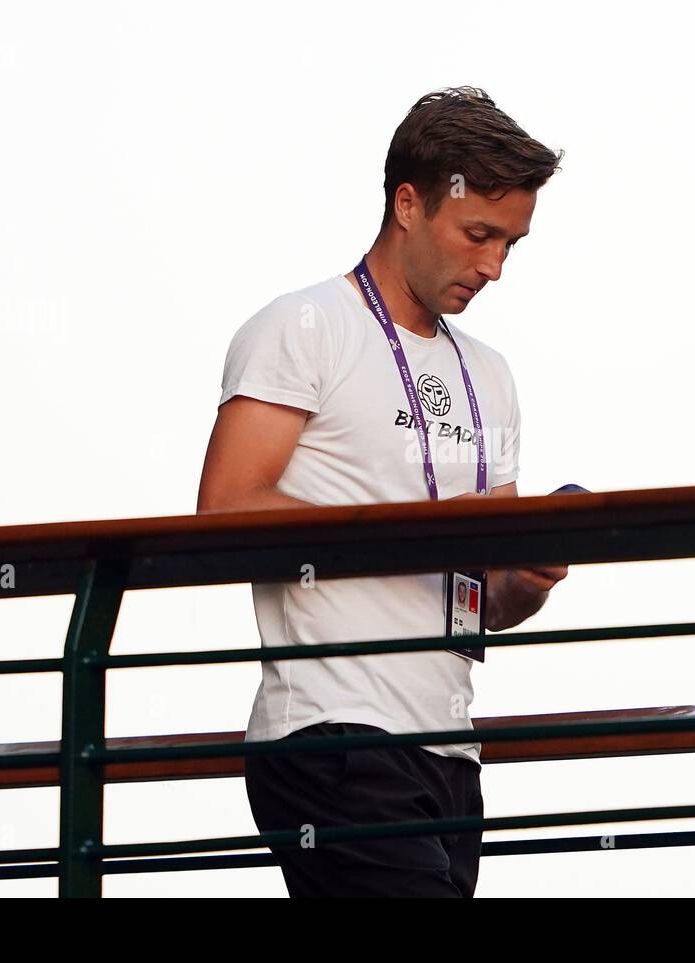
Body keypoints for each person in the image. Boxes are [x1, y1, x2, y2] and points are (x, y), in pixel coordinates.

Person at [196, 86, 568, 897]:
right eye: (479, 235)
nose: (494, 268)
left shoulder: (493, 376)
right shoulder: (303, 326)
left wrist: (529, 575)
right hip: (332, 733)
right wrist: (431, 529)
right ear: (409, 203)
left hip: (449, 750)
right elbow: (224, 513)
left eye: (512, 244)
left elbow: (484, 595)